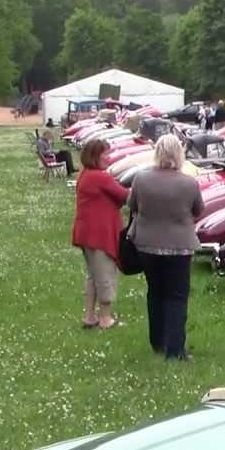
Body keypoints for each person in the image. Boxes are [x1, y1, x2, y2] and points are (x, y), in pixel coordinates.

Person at [127, 135, 204, 361]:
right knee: (177, 297)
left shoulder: (141, 179)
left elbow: (131, 205)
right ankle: (175, 350)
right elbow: (199, 209)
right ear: (179, 154)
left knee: (155, 292)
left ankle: (157, 341)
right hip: (179, 248)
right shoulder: (189, 183)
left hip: (146, 245)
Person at [71, 138, 129, 330]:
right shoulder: (100, 177)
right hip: (98, 236)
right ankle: (105, 318)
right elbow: (124, 195)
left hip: (87, 234)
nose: (109, 158)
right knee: (105, 275)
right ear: (95, 156)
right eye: (105, 154)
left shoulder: (85, 174)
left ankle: (89, 316)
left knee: (93, 276)